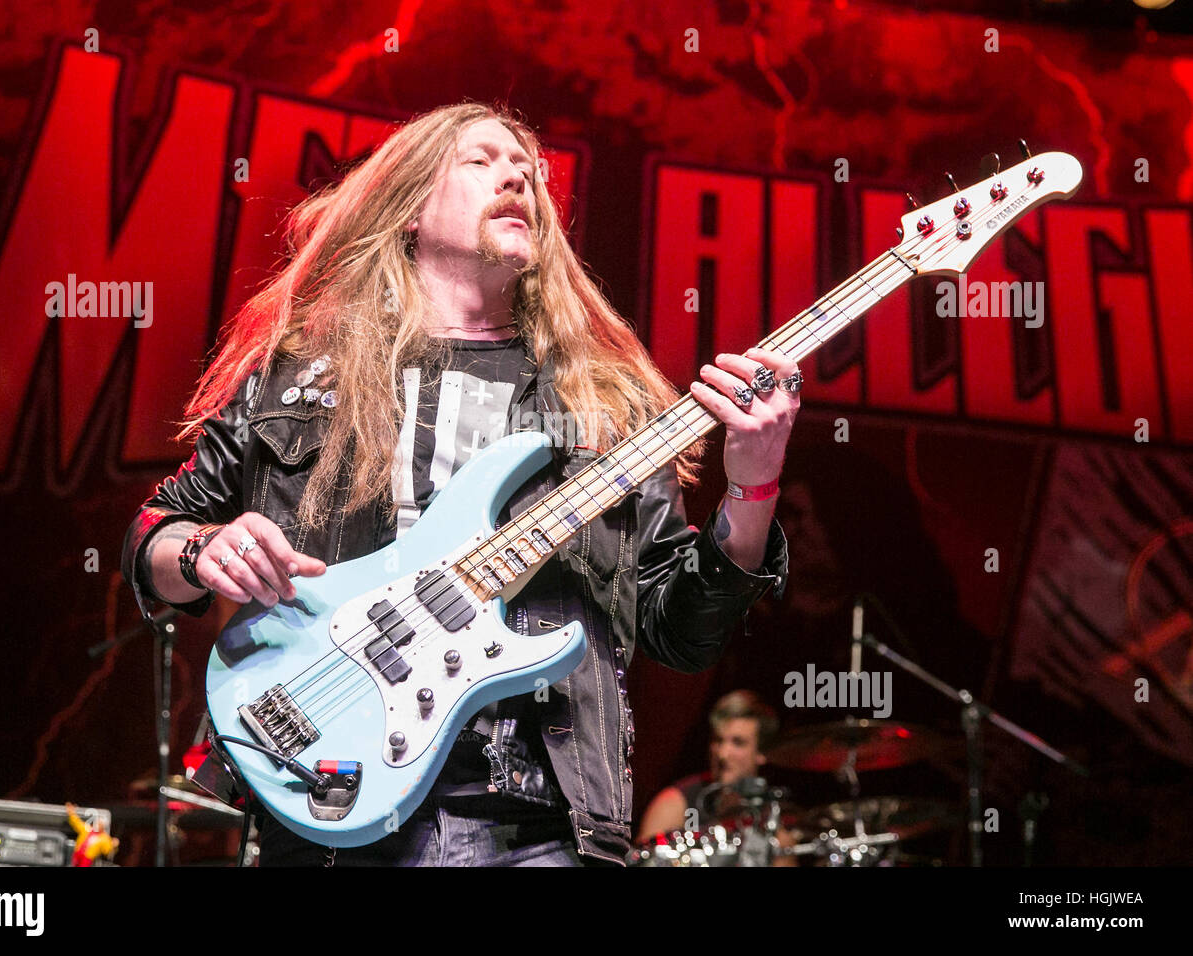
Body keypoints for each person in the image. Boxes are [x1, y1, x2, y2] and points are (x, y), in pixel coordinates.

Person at [120, 101, 800, 866]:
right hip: (328, 798)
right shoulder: (300, 379)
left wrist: (752, 489)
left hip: (536, 821)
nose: (518, 175)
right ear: (410, 207)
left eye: (531, 171)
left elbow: (683, 633)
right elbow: (157, 535)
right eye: (481, 160)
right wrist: (202, 550)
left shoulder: (605, 407)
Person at [636, 690, 780, 843]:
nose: (723, 754)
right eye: (718, 740)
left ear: (762, 751)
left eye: (738, 743)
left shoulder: (774, 817)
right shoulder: (675, 804)